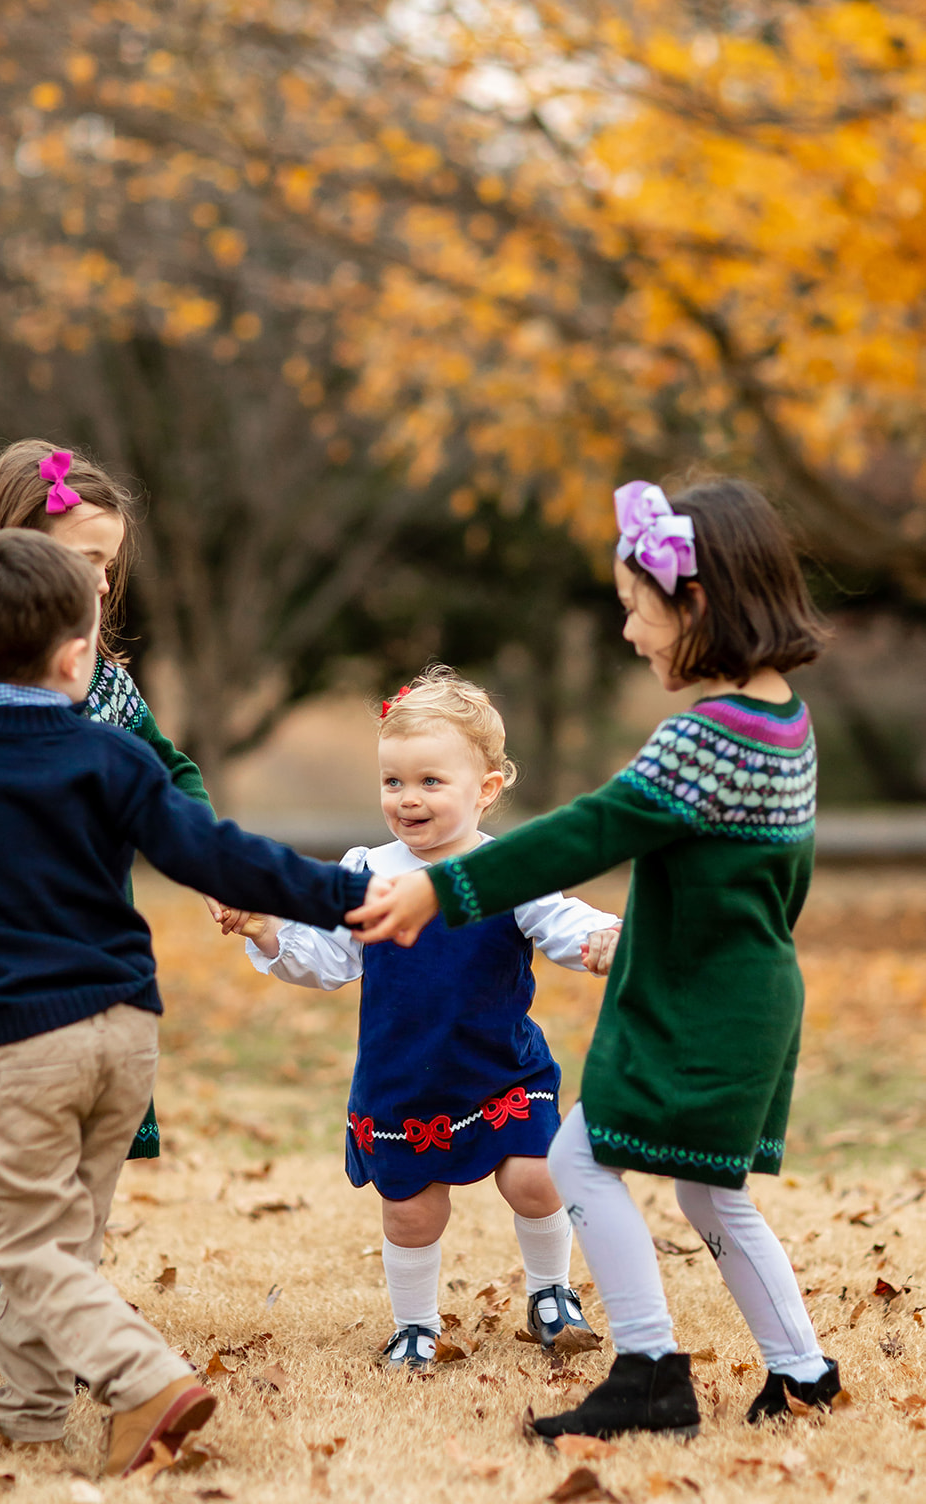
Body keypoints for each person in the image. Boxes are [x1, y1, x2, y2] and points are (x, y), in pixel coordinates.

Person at [0, 530, 374, 1474]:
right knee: (64, 1242)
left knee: (23, 1246)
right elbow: (219, 855)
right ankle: (25, 1414)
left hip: (24, 1046)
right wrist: (349, 895)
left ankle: (145, 1377)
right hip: (126, 1036)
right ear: (75, 658)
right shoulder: (114, 759)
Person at [348, 479, 839, 1435]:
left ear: (693, 603)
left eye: (634, 610)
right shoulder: (785, 722)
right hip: (751, 992)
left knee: (574, 1163)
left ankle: (650, 1373)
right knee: (708, 1189)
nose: (628, 634)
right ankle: (802, 1372)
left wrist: (439, 887)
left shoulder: (705, 739)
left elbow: (587, 831)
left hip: (691, 998)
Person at [0, 439, 209, 1350]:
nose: (100, 585)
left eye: (107, 566)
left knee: (64, 1138)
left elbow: (171, 769)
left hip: (83, 948)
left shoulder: (100, 678)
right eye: (80, 562)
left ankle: (57, 1298)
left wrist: (213, 859)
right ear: (6, 549)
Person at [220, 666, 621, 1369]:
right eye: (393, 782)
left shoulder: (507, 870)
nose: (407, 799)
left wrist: (601, 939)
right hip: (404, 1080)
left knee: (535, 1176)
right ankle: (416, 1325)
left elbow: (559, 919)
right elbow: (327, 959)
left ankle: (550, 1294)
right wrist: (266, 931)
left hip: (500, 1070)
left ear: (486, 790)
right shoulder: (366, 871)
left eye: (430, 782)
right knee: (411, 1210)